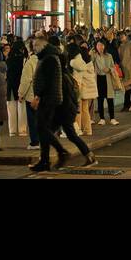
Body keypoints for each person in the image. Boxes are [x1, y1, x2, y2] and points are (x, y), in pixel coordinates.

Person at [29, 33, 95, 171]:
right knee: (48, 132)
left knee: (46, 130)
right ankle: (48, 159)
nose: (33, 48)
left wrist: (39, 96)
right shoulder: (56, 64)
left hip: (61, 108)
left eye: (35, 45)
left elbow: (57, 89)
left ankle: (60, 154)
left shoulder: (53, 64)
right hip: (60, 107)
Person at [68, 41, 97, 136]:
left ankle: (78, 129)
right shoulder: (88, 62)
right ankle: (88, 130)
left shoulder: (75, 62)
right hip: (86, 89)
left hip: (80, 89)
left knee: (78, 110)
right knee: (84, 110)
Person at [91, 38, 119, 125]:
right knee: (100, 99)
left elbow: (113, 67)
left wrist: (109, 69)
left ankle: (112, 118)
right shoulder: (94, 55)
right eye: (98, 45)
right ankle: (102, 118)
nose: (100, 47)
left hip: (107, 78)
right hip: (98, 78)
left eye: (102, 45)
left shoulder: (109, 55)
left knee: (110, 99)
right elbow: (90, 63)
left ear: (104, 46)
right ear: (96, 46)